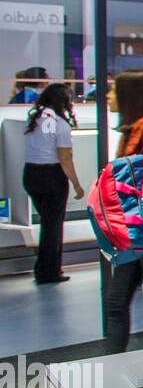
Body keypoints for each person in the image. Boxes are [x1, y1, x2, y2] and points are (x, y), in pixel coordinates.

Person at [102, 70, 143, 352]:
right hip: (135, 232)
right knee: (119, 303)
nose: (108, 96)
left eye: (113, 91)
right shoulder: (133, 133)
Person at [21, 83, 84, 284]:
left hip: (31, 174)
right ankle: (48, 272)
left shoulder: (34, 119)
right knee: (53, 227)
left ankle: (43, 269)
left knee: (48, 224)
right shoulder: (61, 125)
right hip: (52, 176)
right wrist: (76, 184)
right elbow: (65, 159)